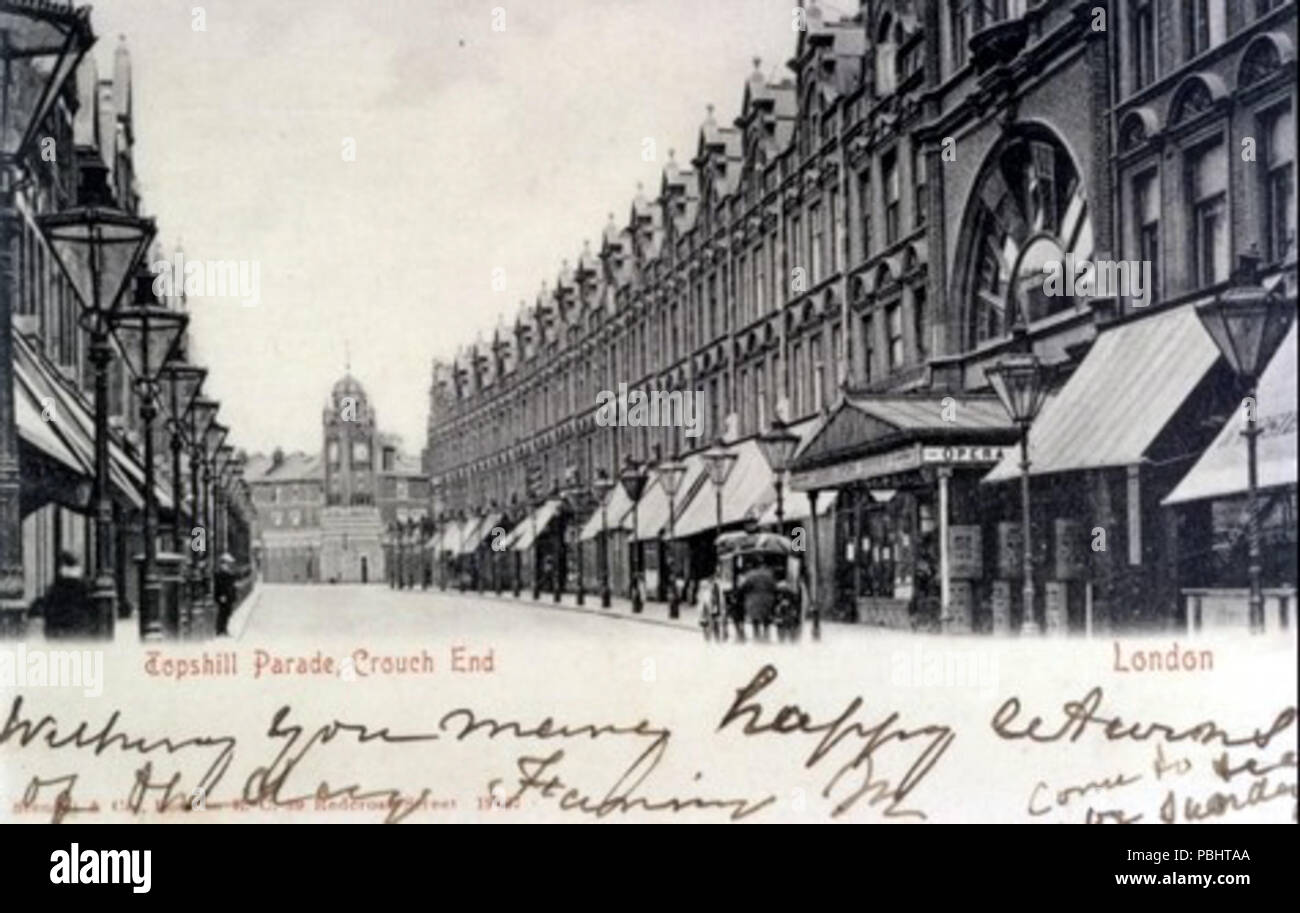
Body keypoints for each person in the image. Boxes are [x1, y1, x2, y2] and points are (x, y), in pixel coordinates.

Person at [32, 551, 96, 639]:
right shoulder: (84, 586)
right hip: (79, 630)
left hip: (58, 631)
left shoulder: (55, 588)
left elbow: (45, 607)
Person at [736, 556, 777, 641]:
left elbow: (743, 587)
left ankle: (757, 636)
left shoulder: (750, 575)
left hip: (753, 601)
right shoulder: (769, 574)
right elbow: (774, 587)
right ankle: (766, 635)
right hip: (768, 600)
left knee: (755, 621)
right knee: (766, 619)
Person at [213, 553, 238, 636]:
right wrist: (222, 595)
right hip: (224, 597)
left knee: (227, 612)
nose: (229, 565)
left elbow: (231, 584)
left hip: (229, 596)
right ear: (223, 563)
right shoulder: (220, 574)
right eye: (228, 563)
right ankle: (220, 630)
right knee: (222, 613)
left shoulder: (228, 573)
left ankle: (224, 629)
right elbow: (220, 586)